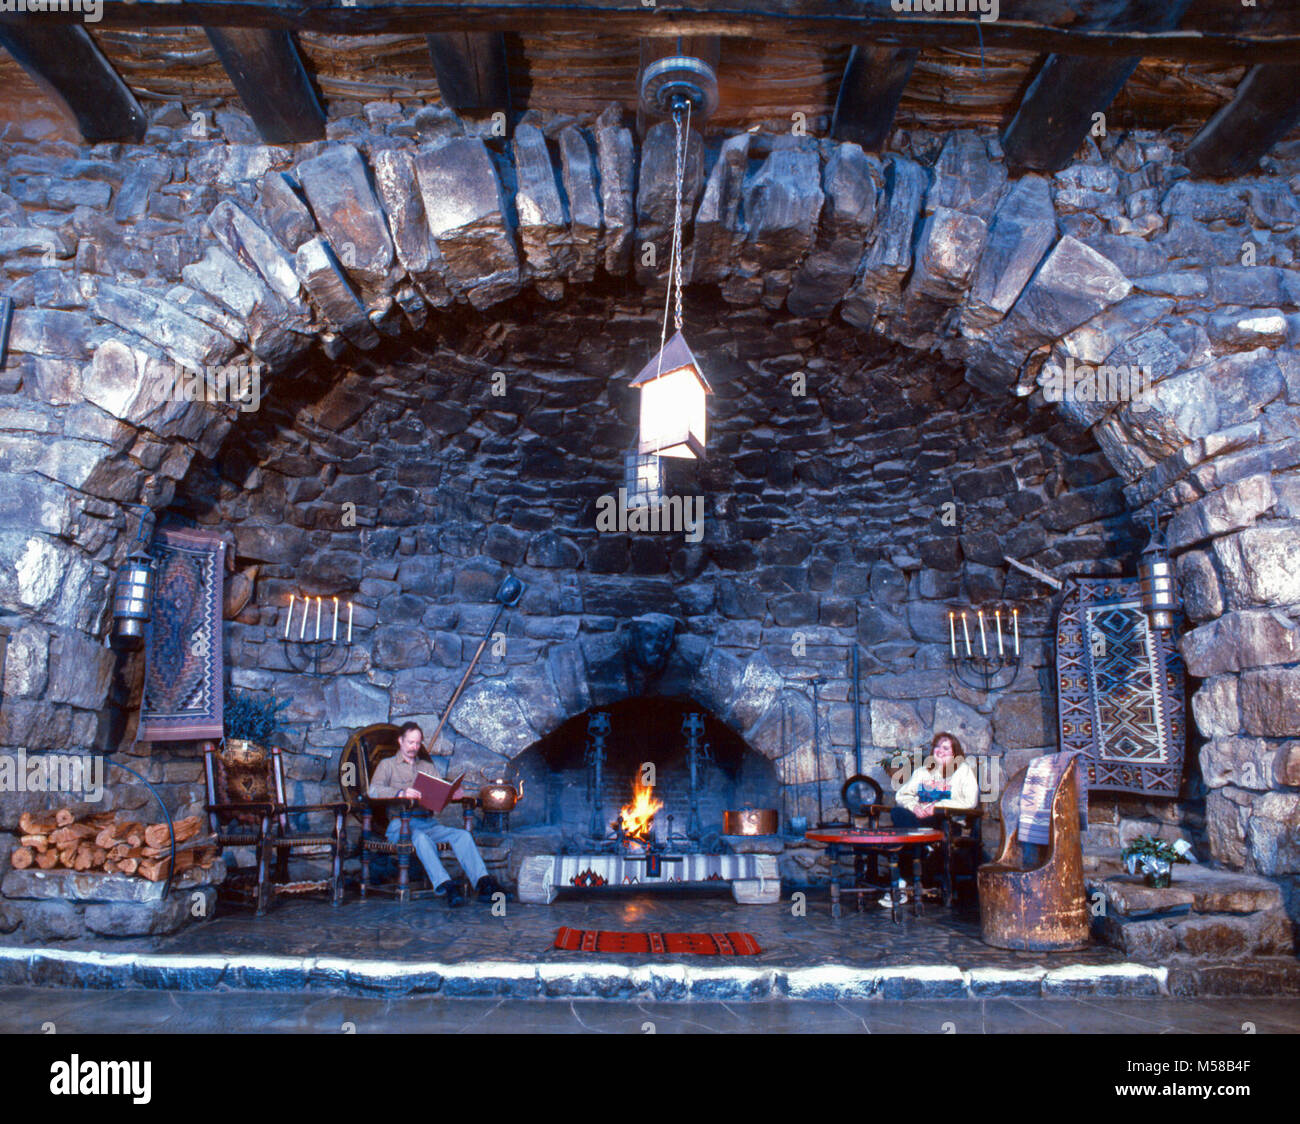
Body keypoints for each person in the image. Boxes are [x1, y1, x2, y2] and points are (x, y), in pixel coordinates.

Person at [367, 721, 503, 908]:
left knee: (462, 835)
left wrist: (451, 795)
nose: (414, 747)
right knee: (421, 839)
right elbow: (373, 791)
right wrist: (400, 793)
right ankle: (446, 886)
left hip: (428, 823)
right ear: (400, 741)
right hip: (400, 825)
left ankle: (483, 882)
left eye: (417, 743)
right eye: (410, 742)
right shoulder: (387, 765)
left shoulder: (427, 766)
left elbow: (438, 793)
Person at [881, 731, 979, 908]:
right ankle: (924, 847)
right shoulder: (922, 772)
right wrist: (915, 808)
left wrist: (937, 806)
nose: (940, 751)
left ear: (955, 753)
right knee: (898, 813)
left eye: (946, 748)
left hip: (946, 822)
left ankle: (900, 884)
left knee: (906, 836)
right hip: (919, 822)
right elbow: (902, 795)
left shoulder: (963, 771)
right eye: (937, 747)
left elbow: (970, 801)